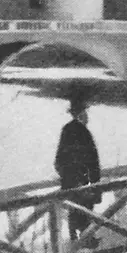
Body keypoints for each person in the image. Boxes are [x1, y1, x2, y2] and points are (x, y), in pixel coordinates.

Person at [54, 94, 101, 244]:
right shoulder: (83, 133)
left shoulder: (66, 130)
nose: (87, 116)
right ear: (81, 114)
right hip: (82, 181)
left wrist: (66, 177)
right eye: (85, 112)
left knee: (74, 210)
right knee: (84, 209)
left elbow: (58, 160)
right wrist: (93, 183)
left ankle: (76, 239)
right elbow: (92, 160)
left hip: (70, 181)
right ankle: (85, 240)